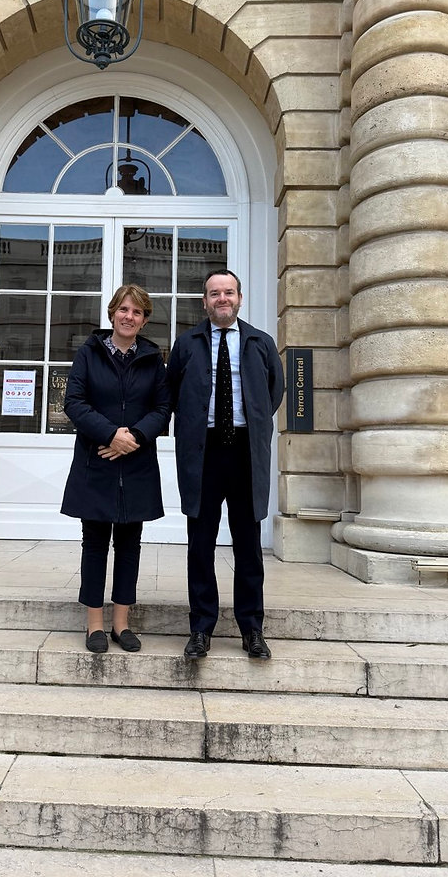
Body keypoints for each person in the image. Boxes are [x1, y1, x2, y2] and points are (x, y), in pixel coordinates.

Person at [167, 269, 284, 660]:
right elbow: (172, 392)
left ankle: (252, 629)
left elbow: (274, 391)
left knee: (248, 545)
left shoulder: (261, 343)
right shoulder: (186, 344)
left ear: (239, 298)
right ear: (205, 301)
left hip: (245, 452)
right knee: (200, 545)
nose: (222, 299)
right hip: (203, 452)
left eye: (228, 292)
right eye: (214, 293)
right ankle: (201, 628)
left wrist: (254, 420)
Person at [61, 284, 171, 654]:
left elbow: (163, 408)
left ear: (144, 320)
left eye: (137, 312)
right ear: (112, 313)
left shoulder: (153, 359)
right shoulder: (89, 353)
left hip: (136, 464)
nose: (129, 317)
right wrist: (110, 434)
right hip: (96, 461)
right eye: (124, 309)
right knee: (94, 544)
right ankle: (94, 624)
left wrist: (133, 437)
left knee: (129, 545)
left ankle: (121, 623)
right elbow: (74, 402)